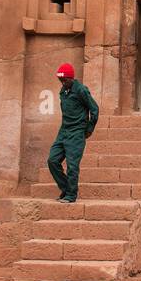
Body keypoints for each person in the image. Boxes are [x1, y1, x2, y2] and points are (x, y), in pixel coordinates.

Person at [48, 62, 99, 203]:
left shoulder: (81, 90)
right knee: (52, 160)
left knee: (72, 165)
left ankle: (71, 195)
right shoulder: (63, 91)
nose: (63, 83)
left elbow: (94, 109)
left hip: (77, 133)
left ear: (71, 78)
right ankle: (66, 188)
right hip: (63, 131)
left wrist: (88, 129)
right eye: (61, 80)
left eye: (65, 80)